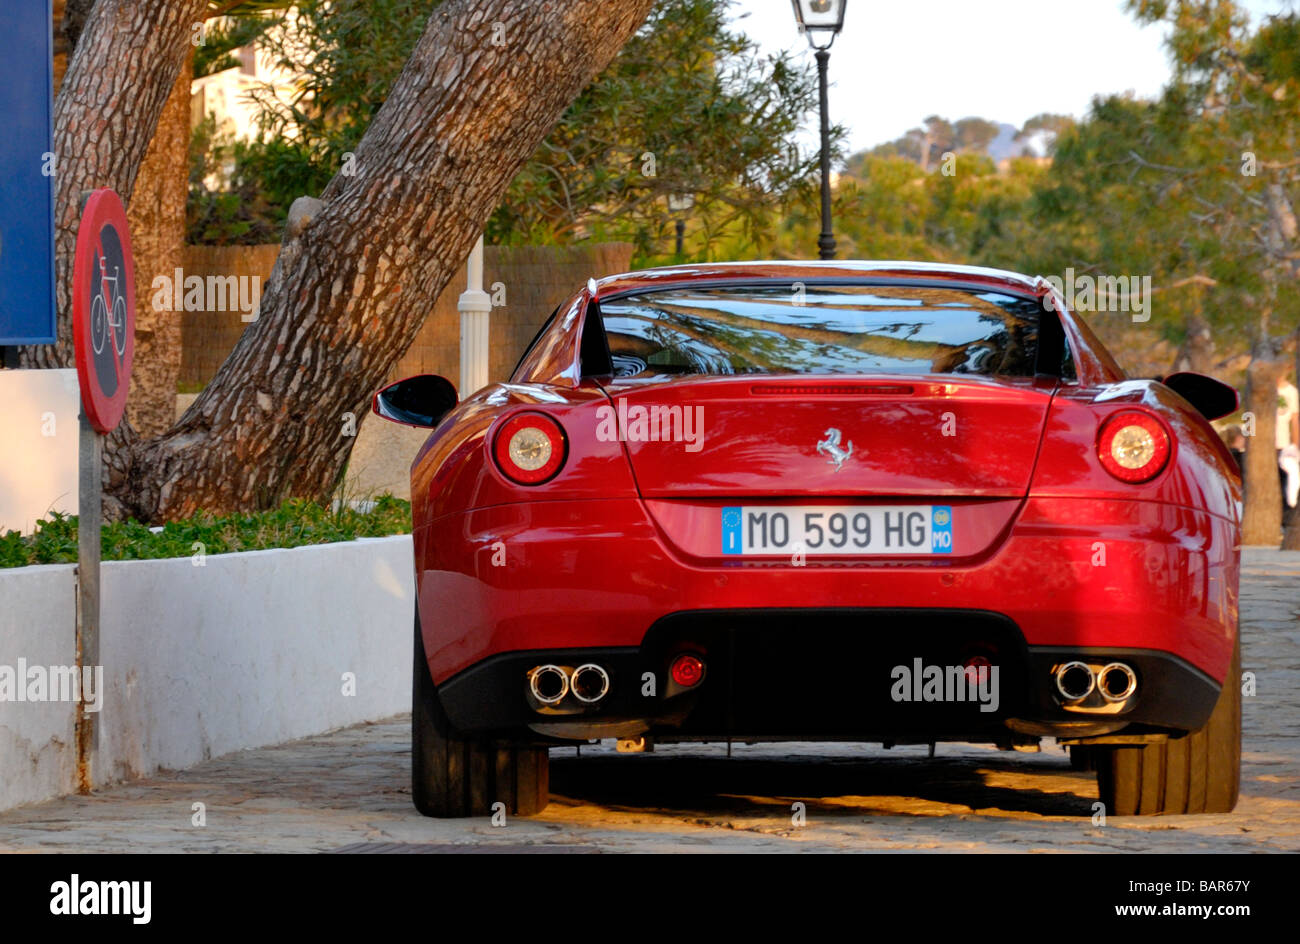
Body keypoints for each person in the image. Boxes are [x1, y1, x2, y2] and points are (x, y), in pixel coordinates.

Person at [1279, 373, 1300, 525]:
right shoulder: (1261, 388)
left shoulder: (1291, 392)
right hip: (1265, 444)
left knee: (1289, 480)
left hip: (1285, 444)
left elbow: (1294, 420)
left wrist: (1295, 443)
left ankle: (1287, 516)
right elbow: (1249, 415)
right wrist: (1250, 438)